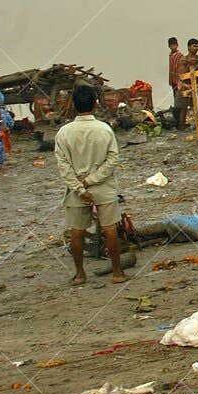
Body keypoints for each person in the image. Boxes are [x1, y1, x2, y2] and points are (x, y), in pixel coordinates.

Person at [56, 84, 126, 285]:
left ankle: (80, 274)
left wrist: (79, 187)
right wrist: (92, 180)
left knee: (77, 231)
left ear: (73, 105)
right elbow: (112, 160)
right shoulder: (104, 130)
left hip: (76, 187)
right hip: (102, 186)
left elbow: (63, 166)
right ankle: (117, 272)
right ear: (95, 104)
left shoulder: (63, 133)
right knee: (110, 228)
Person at [167, 36, 188, 129]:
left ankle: (180, 122)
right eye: (171, 45)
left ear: (177, 45)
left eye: (174, 45)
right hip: (173, 81)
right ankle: (178, 121)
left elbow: (182, 69)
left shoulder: (180, 56)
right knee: (176, 101)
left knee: (179, 102)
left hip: (179, 80)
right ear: (169, 46)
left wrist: (181, 80)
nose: (173, 47)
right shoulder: (170, 55)